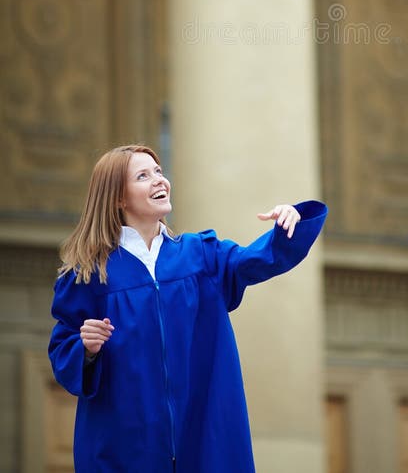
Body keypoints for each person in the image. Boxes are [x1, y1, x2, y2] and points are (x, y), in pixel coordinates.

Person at [48, 144, 327, 473]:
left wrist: (288, 227)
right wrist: (87, 349)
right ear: (118, 198)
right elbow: (63, 350)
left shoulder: (201, 256)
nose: (159, 180)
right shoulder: (90, 274)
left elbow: (257, 260)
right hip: (125, 446)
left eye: (158, 171)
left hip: (202, 436)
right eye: (143, 175)